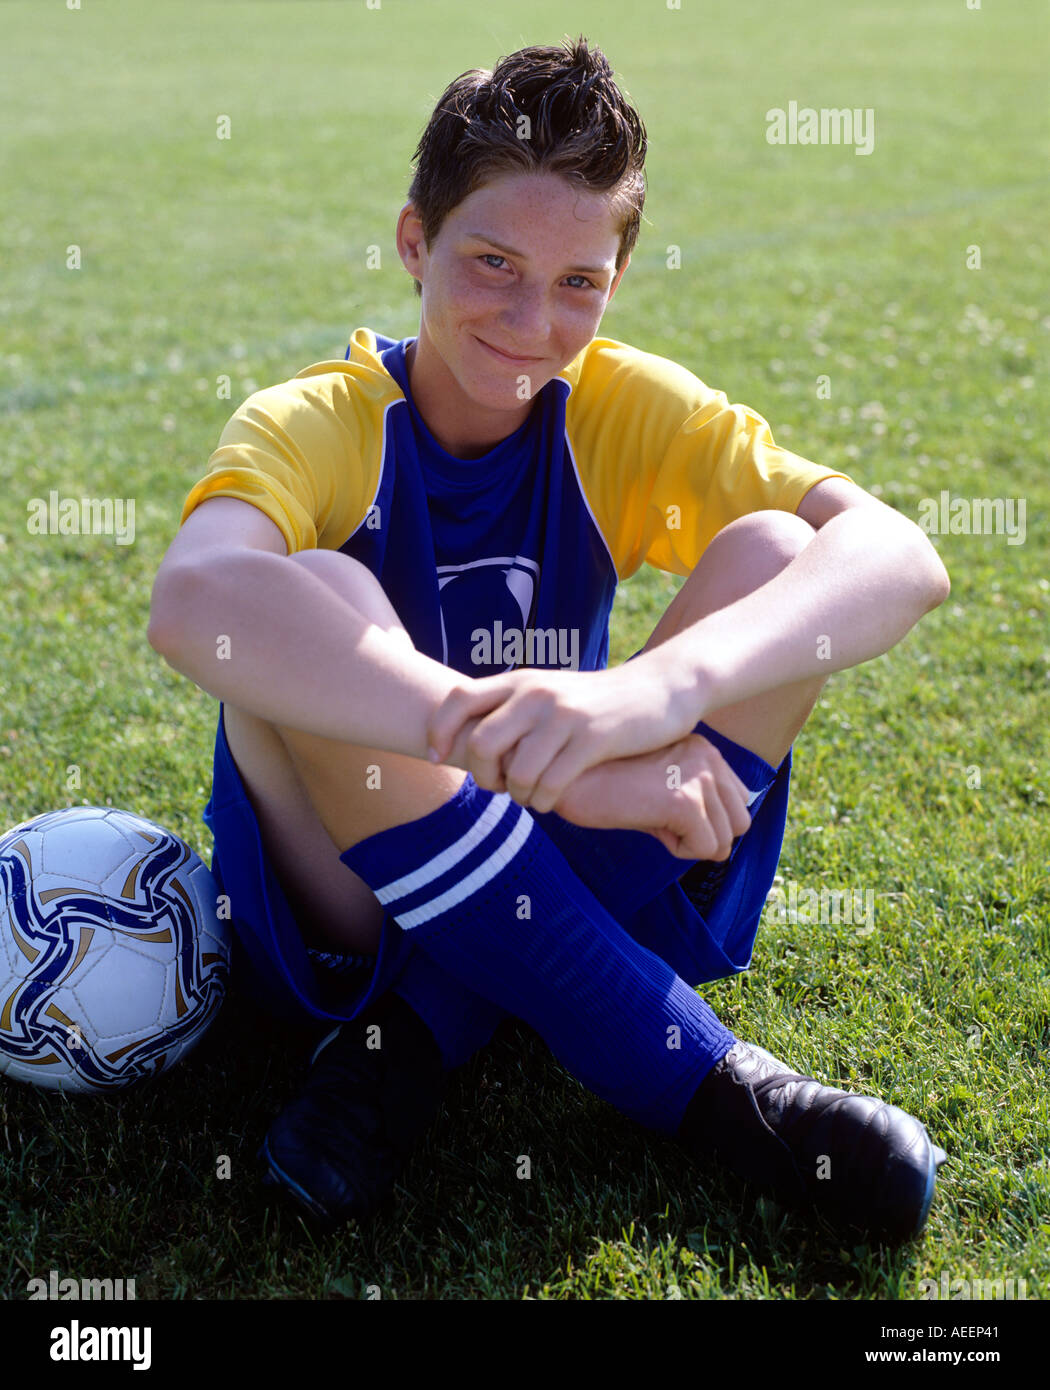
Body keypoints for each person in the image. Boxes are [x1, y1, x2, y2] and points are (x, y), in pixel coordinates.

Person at [148, 36, 950, 1243]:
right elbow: (193, 602)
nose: (532, 320)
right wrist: (547, 754)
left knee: (778, 555)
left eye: (579, 281)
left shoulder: (619, 409)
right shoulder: (321, 419)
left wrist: (652, 694)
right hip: (352, 902)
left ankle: (409, 1044)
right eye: (492, 263)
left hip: (555, 857)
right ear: (414, 242)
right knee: (313, 587)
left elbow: (900, 557)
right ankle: (722, 1092)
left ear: (616, 283)